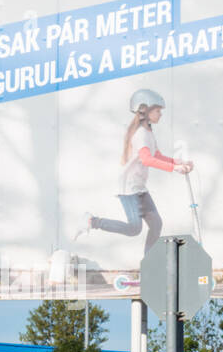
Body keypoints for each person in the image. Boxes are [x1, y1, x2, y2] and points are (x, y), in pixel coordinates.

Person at [75, 89, 192, 251]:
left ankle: (150, 263)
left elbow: (156, 154)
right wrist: (174, 168)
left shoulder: (149, 132)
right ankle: (92, 221)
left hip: (139, 188)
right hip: (129, 189)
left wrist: (177, 162)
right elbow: (147, 159)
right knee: (134, 229)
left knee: (156, 224)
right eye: (158, 110)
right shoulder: (140, 134)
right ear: (145, 110)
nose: (161, 114)